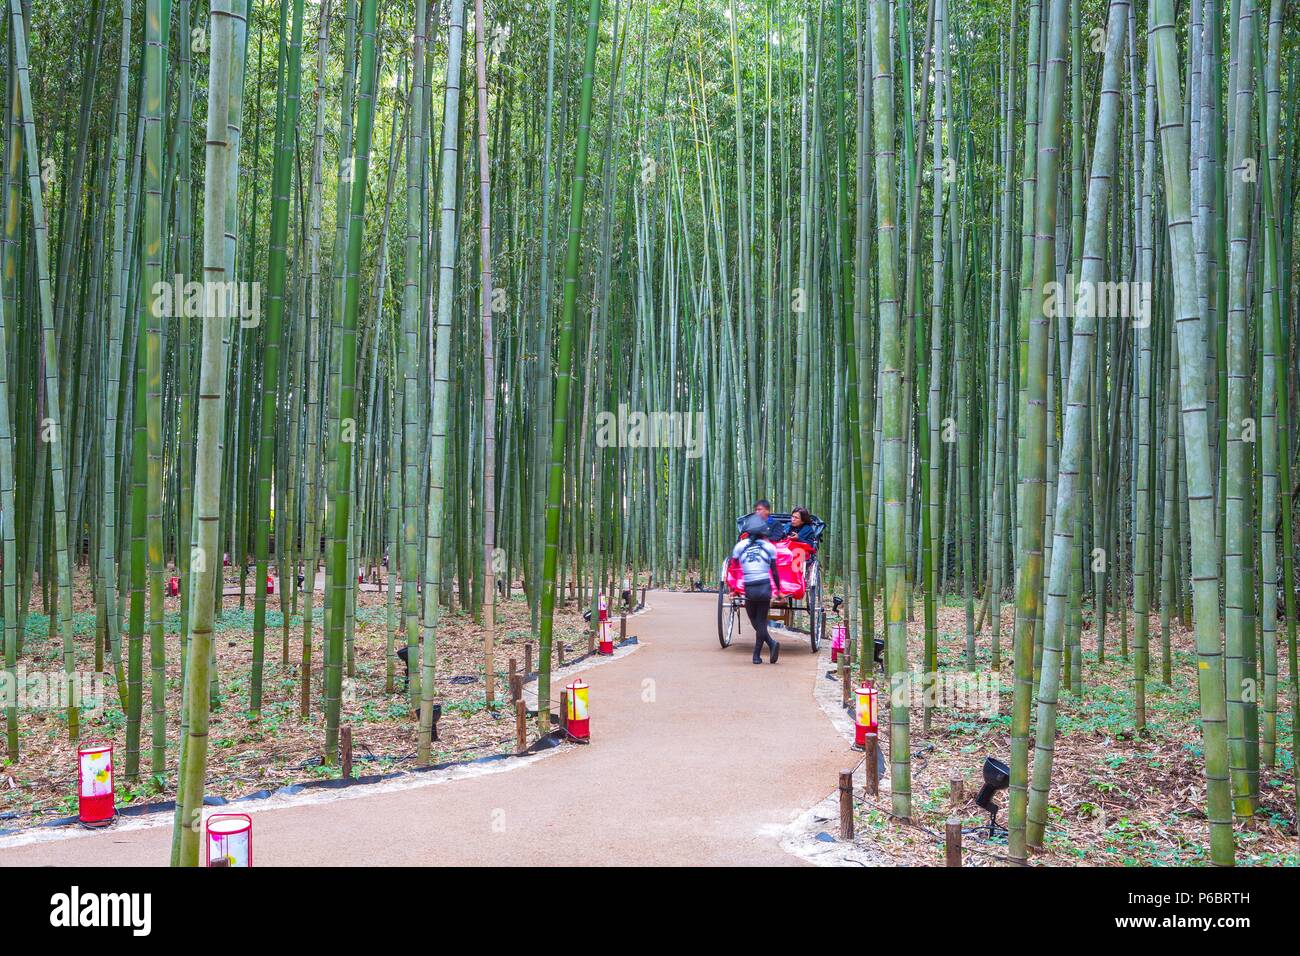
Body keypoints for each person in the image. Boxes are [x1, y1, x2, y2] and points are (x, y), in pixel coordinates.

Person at [731, 515, 781, 664]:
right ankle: (763, 649)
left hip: (749, 587)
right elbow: (775, 571)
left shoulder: (740, 546)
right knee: (761, 621)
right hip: (764, 586)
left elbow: (733, 568)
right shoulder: (770, 547)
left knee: (755, 620)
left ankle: (759, 653)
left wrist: (734, 588)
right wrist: (777, 590)